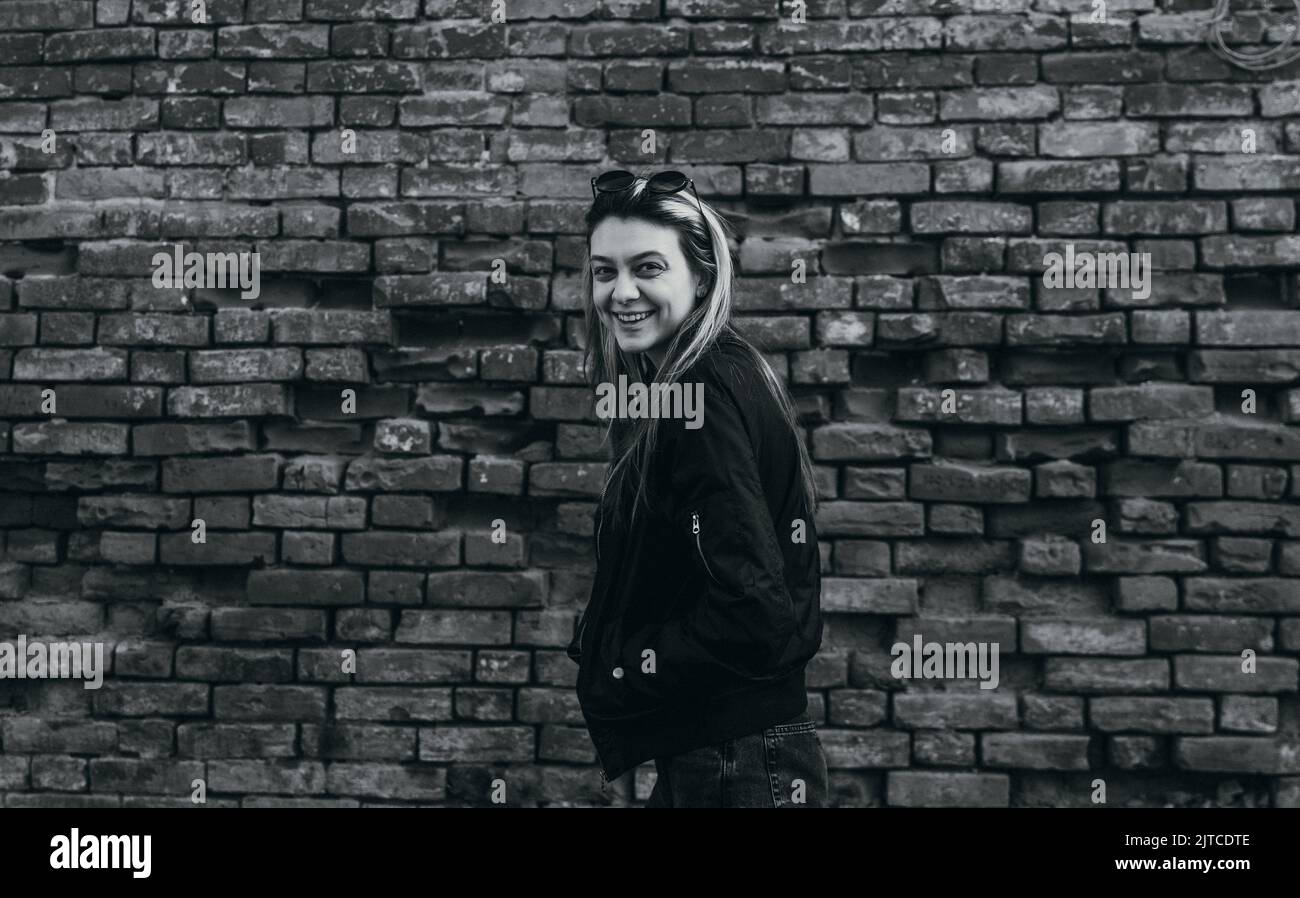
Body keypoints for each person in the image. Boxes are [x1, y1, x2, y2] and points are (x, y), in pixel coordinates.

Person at [565, 169, 828, 807]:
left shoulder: (702, 394)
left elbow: (752, 612)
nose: (621, 292)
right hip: (723, 751)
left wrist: (622, 677)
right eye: (605, 271)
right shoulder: (696, 382)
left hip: (736, 760)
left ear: (702, 275)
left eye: (648, 268)